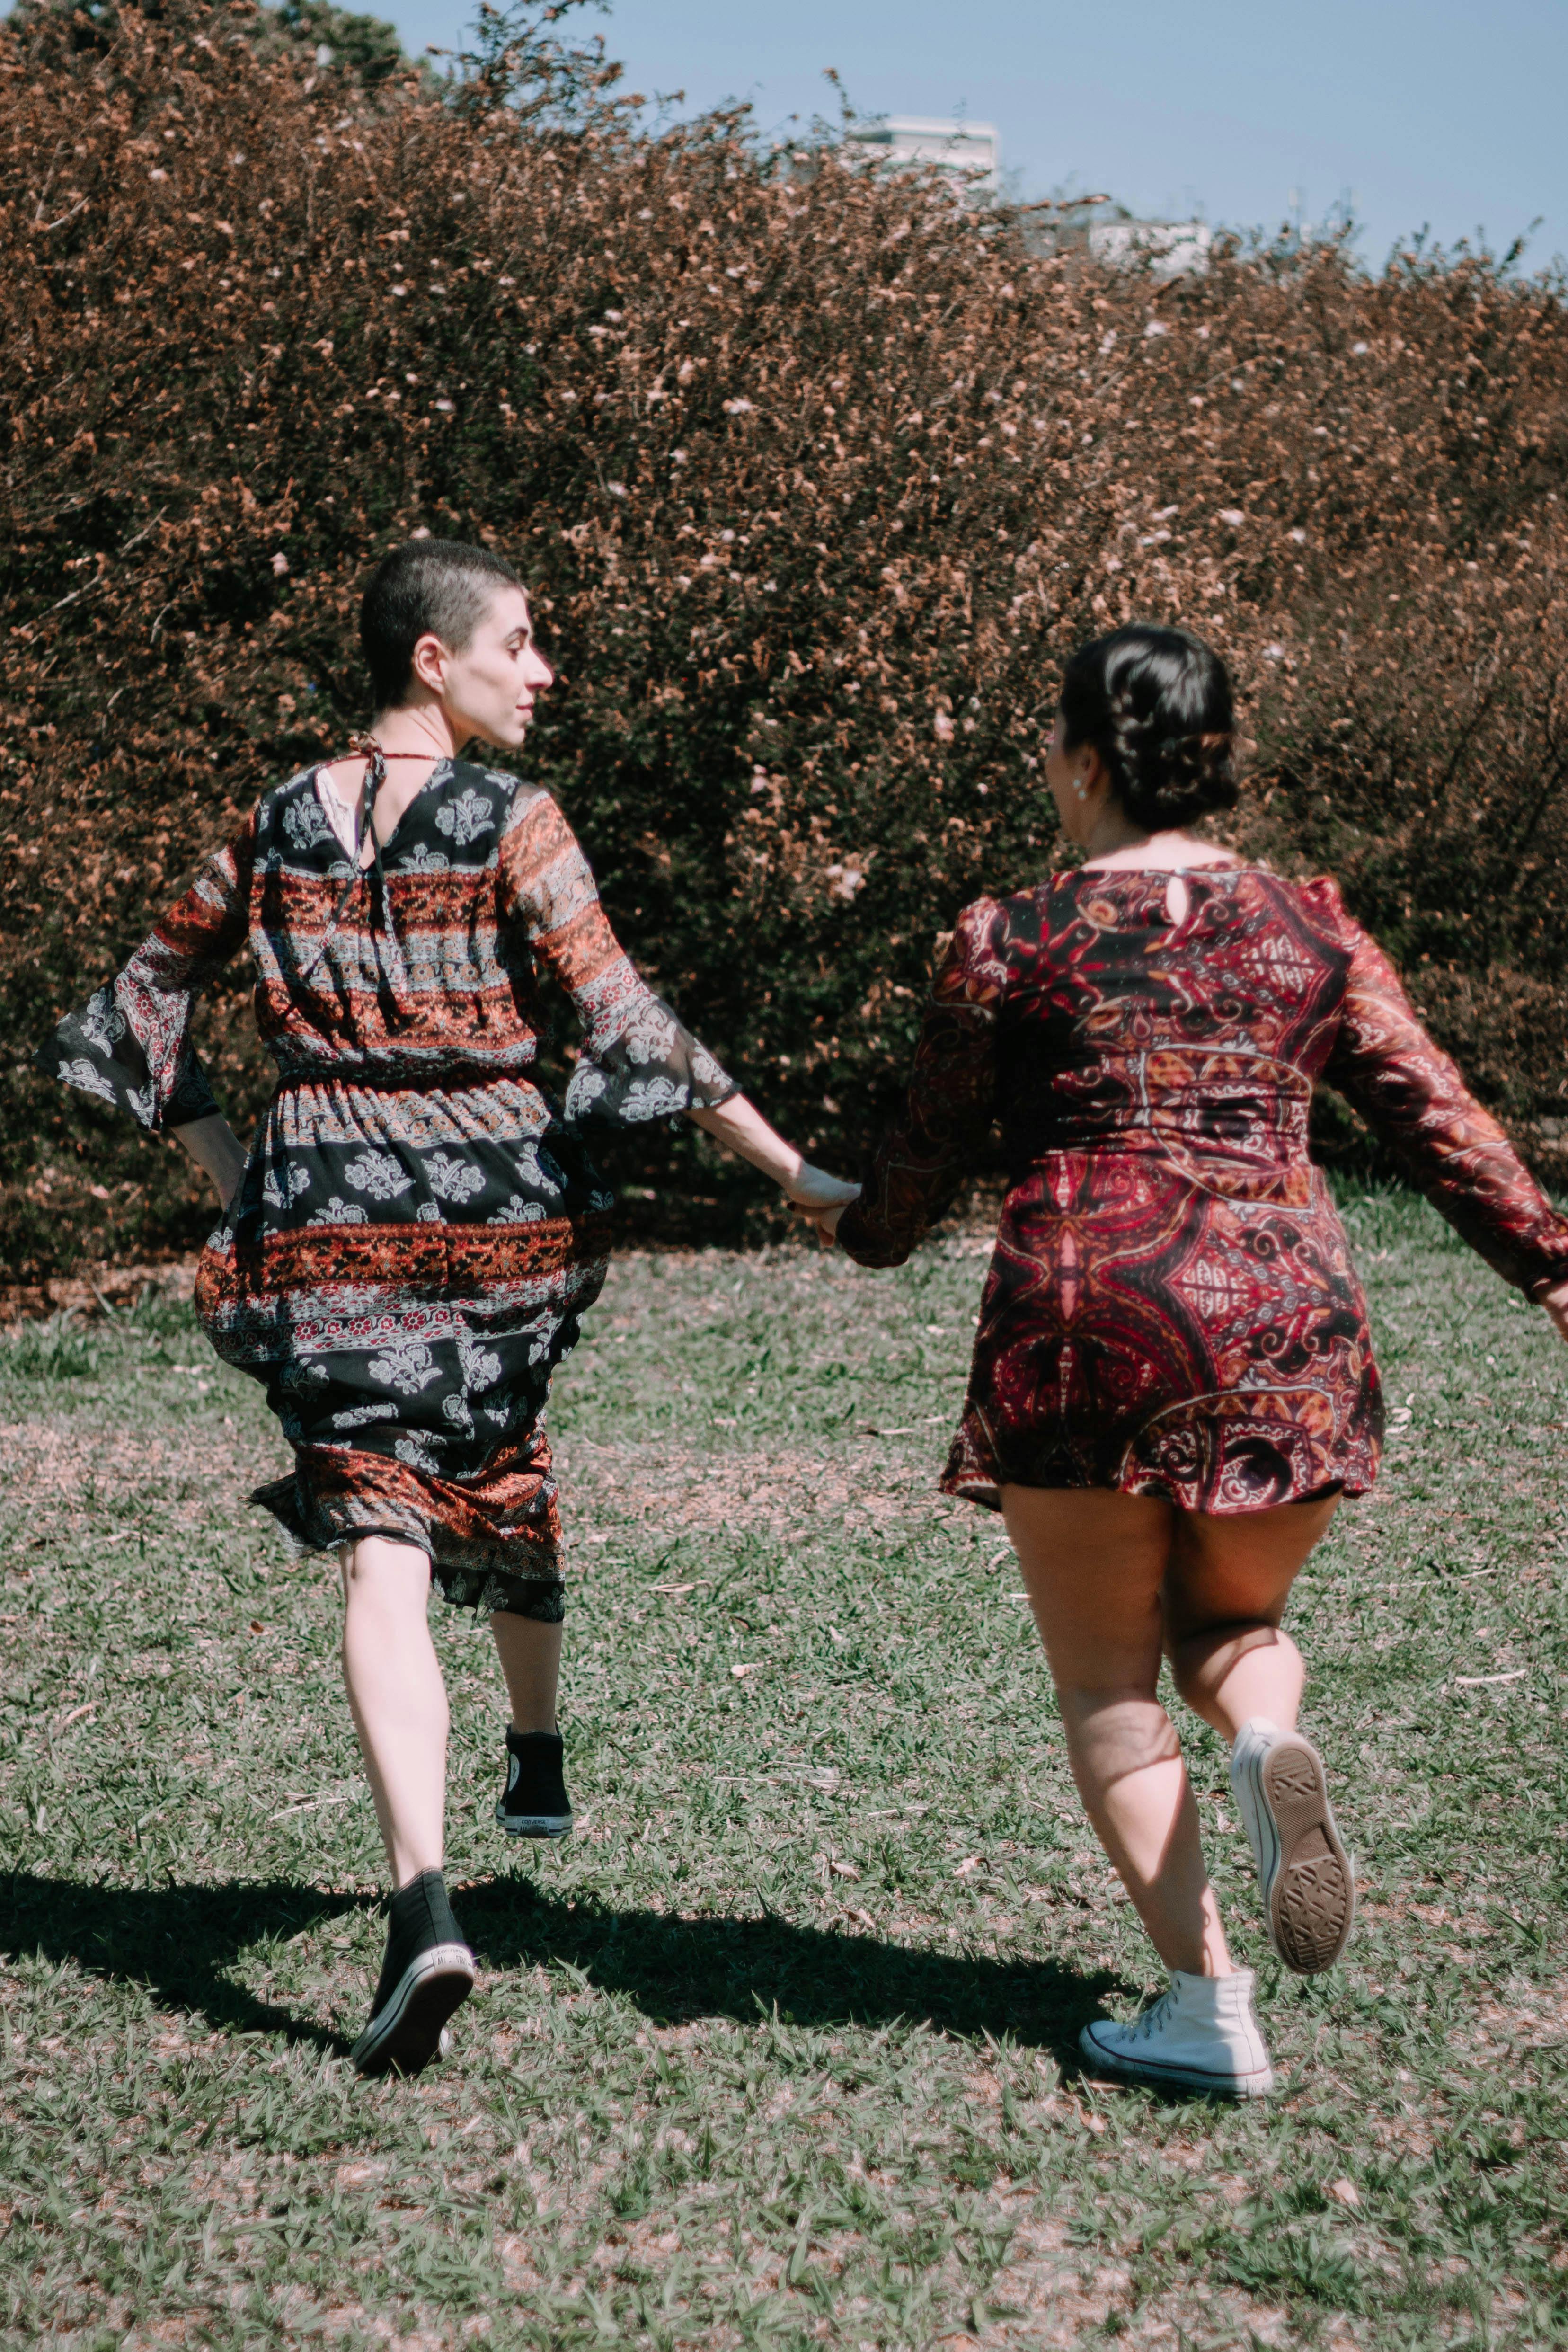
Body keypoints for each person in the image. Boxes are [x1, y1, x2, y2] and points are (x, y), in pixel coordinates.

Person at [39, 536, 857, 2079]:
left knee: (382, 1532)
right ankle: (531, 1759)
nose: (543, 671)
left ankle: (425, 1895)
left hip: (326, 1212)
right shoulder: (513, 816)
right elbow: (624, 1015)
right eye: (524, 642)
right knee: (495, 1451)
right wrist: (796, 1173)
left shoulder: (276, 813)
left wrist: (238, 1165)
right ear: (437, 656)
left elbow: (139, 994)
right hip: (489, 1210)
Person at [802, 621, 1568, 2098]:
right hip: (1283, 1325)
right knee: (1228, 1630)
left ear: (1089, 758)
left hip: (1085, 1316)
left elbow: (911, 1182)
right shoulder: (1311, 929)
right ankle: (1266, 1739)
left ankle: (1207, 2007)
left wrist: (853, 1217)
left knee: (1108, 1689)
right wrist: (1551, 1264)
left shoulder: (1006, 935)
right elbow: (1437, 1116)